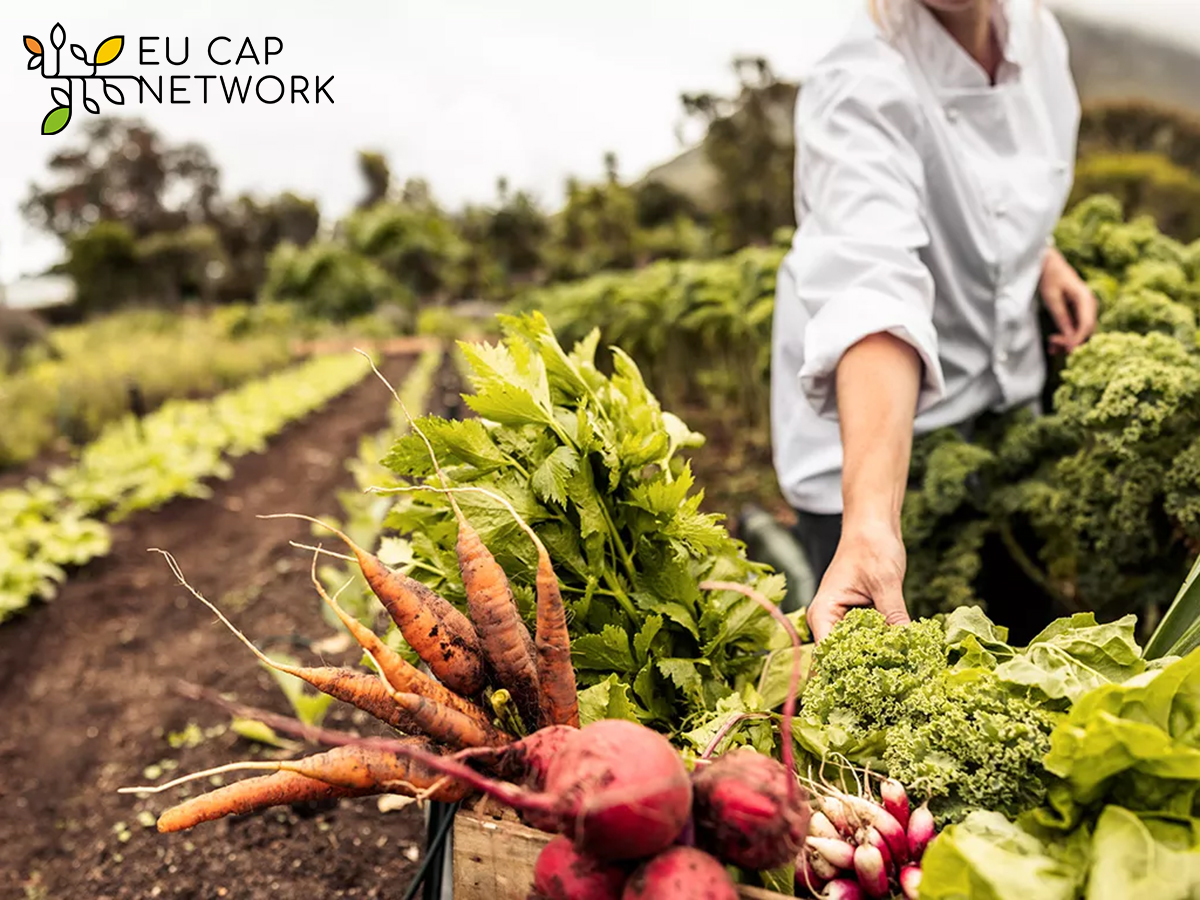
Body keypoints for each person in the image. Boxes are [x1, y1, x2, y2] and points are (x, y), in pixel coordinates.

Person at [770, 0, 1097, 643]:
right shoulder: (859, 78)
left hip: (997, 399)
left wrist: (1041, 254)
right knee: (898, 684)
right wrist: (869, 523)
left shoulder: (1036, 35)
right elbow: (873, 285)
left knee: (1022, 621)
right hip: (869, 431)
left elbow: (1003, 187)